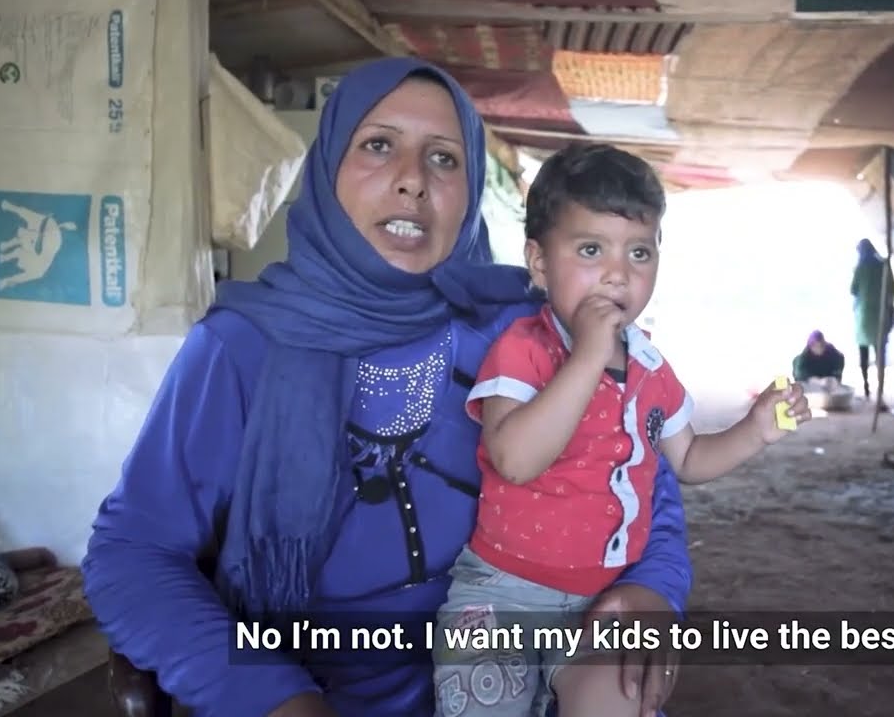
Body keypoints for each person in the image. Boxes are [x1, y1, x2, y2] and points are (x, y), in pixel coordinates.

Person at [80, 58, 694, 717]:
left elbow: (639, 473)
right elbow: (134, 554)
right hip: (303, 689)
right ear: (328, 168)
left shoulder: (528, 334)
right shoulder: (241, 348)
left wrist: (655, 588)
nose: (412, 182)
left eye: (444, 159)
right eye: (378, 146)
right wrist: (270, 698)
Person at [431, 143, 812, 717]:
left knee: (624, 700)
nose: (617, 273)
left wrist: (755, 430)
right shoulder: (524, 350)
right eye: (591, 249)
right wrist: (587, 356)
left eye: (639, 252)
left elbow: (689, 460)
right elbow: (513, 458)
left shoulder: (651, 368)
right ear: (539, 263)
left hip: (601, 606)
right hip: (500, 595)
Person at [850, 238, 894, 399]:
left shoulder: (860, 268)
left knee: (863, 353)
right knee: (880, 355)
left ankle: (866, 387)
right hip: (881, 316)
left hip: (863, 317)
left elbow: (853, 289)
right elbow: (892, 290)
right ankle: (880, 388)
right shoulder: (883, 266)